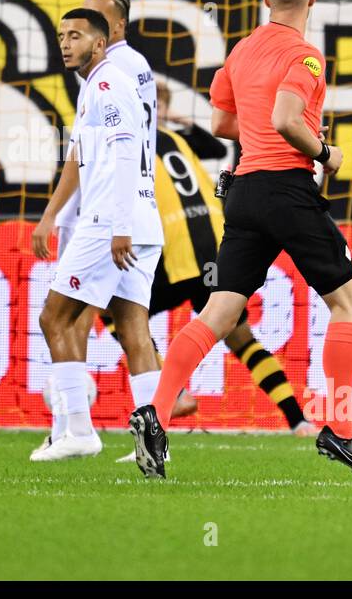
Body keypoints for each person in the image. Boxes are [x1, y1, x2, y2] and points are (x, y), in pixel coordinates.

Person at [128, 0, 352, 481]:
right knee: (350, 303)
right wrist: (324, 154)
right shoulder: (308, 57)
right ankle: (338, 430)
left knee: (219, 312)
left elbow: (224, 121)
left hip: (243, 191)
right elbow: (285, 119)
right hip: (286, 189)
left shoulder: (242, 51)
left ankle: (155, 410)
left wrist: (266, 140)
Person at [105, 78, 317, 442]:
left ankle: (174, 392)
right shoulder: (181, 141)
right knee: (241, 338)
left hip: (179, 252)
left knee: (117, 313)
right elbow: (210, 144)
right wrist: (178, 120)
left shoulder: (129, 145)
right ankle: (298, 421)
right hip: (217, 249)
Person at [30, 9, 163, 461]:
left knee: (54, 317)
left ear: (101, 43)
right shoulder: (99, 87)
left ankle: (79, 430)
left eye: (76, 36)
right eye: (62, 35)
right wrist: (51, 215)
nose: (66, 43)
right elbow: (83, 156)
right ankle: (154, 443)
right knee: (132, 329)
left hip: (111, 221)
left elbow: (126, 150)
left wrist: (118, 226)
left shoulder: (105, 84)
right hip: (144, 219)